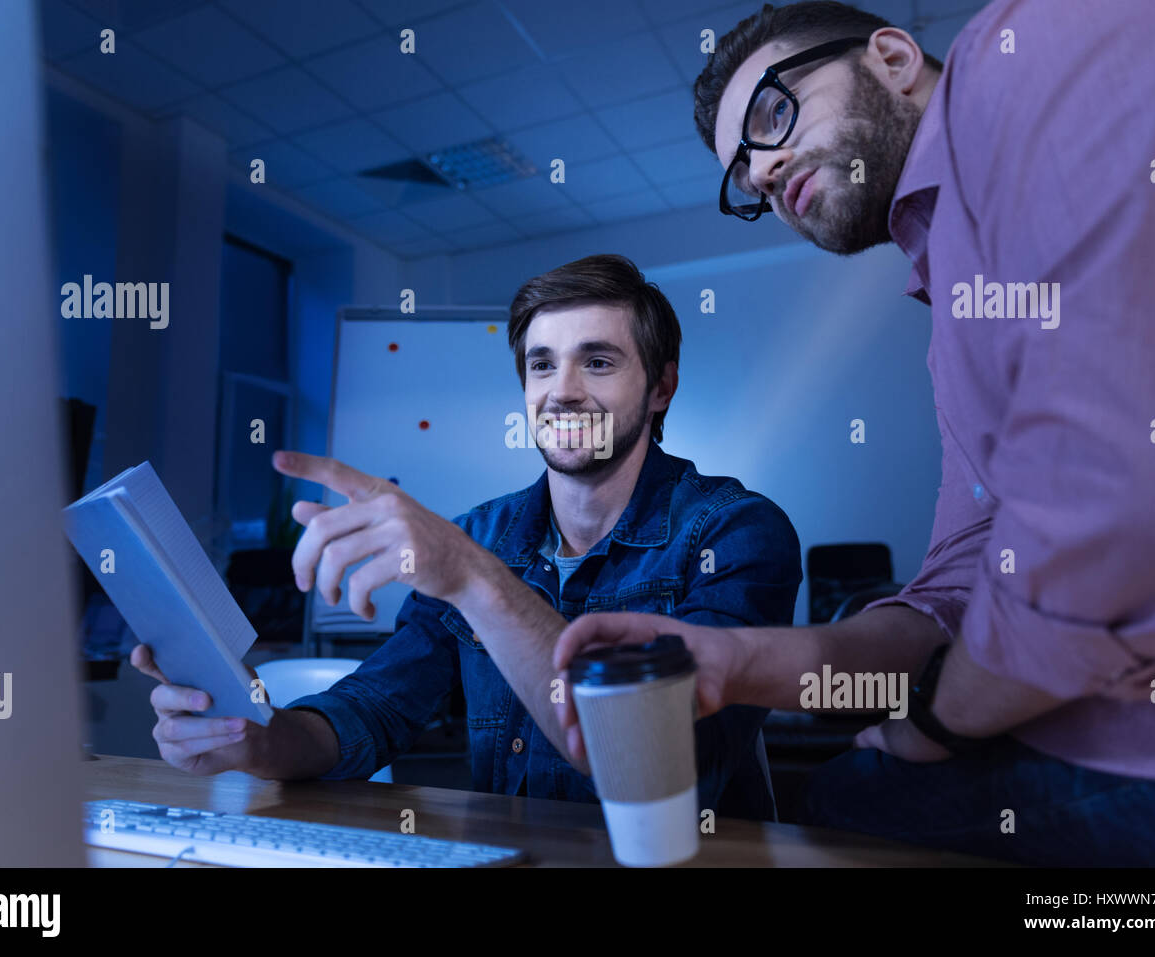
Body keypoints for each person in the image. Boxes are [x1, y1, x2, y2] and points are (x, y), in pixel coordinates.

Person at [554, 0, 1155, 865]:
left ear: (894, 57)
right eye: (743, 174)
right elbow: (959, 587)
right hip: (1097, 734)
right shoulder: (951, 322)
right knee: (843, 793)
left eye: (771, 115)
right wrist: (735, 659)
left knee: (843, 806)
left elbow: (1111, 525)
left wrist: (935, 719)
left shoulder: (1034, 48)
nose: (762, 170)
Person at [132, 253, 801, 821]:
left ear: (661, 386)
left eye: (597, 362)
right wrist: (261, 741)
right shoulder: (481, 534)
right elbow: (374, 710)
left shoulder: (738, 532)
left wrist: (475, 579)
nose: (561, 392)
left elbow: (667, 772)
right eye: (542, 365)